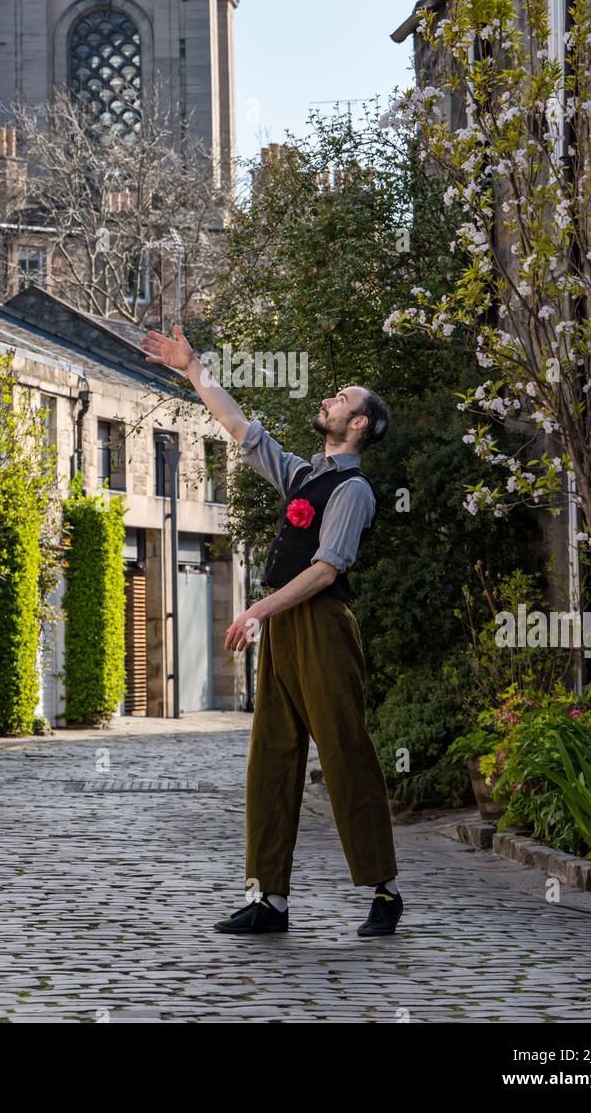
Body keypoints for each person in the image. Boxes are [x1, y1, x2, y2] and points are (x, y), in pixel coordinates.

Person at [142, 324, 402, 938]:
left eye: (341, 399)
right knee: (271, 760)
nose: (329, 402)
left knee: (344, 755)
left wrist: (257, 610)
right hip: (285, 628)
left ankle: (385, 891)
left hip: (322, 629)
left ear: (359, 424)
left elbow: (326, 569)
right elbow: (242, 430)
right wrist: (193, 369)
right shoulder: (306, 475)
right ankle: (270, 901)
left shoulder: (355, 489)